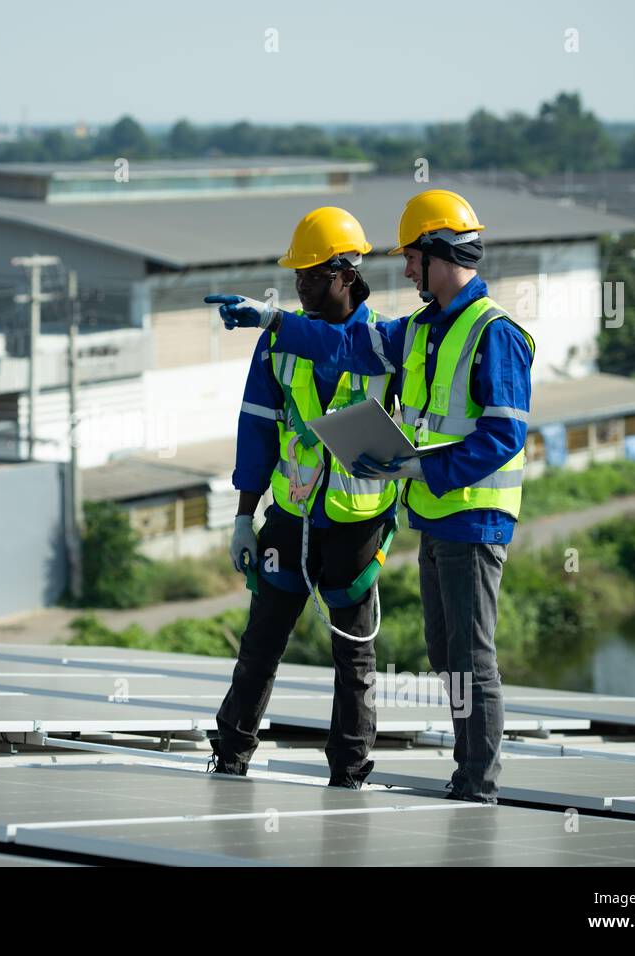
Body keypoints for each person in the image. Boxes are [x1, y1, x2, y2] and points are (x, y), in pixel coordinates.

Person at [209, 189, 535, 804]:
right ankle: (466, 781)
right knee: (446, 657)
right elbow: (345, 350)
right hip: (428, 519)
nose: (406, 269)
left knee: (468, 663)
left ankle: (474, 787)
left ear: (438, 253)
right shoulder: (419, 331)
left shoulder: (494, 333)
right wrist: (272, 320)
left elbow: (504, 434)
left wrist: (415, 463)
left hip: (461, 521)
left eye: (413, 257)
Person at [202, 207, 399, 789]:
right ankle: (231, 753)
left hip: (355, 523)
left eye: (311, 276)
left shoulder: (384, 342)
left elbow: (340, 348)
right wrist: (243, 518)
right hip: (289, 520)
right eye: (297, 276)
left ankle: (350, 774)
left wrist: (272, 319)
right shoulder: (276, 347)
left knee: (353, 660)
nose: (299, 287)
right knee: (260, 644)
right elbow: (256, 430)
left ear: (345, 272)